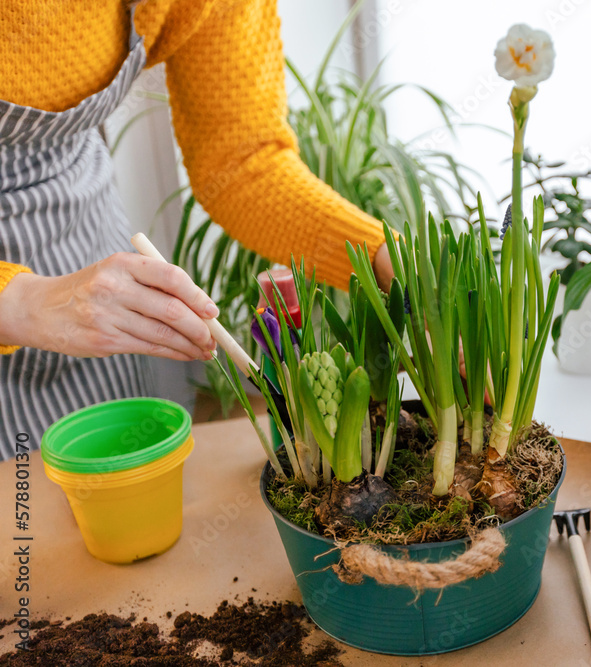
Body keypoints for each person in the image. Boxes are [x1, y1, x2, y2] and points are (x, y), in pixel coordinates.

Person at [0, 1, 394, 456]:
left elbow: (242, 161)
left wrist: (389, 261)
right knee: (23, 520)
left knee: (118, 474)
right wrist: (23, 305)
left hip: (80, 220)